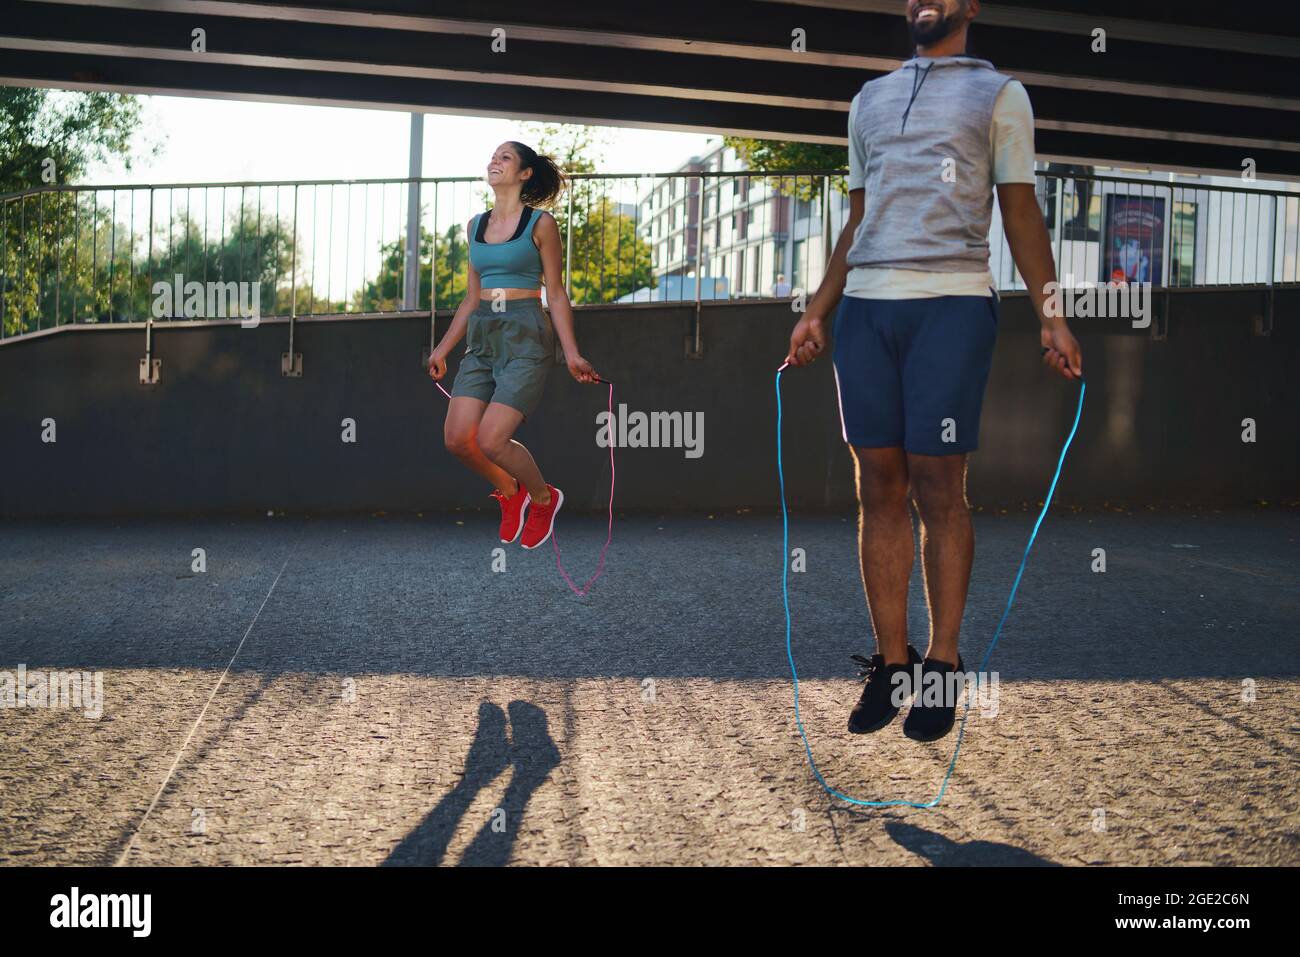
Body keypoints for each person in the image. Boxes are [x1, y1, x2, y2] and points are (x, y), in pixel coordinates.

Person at [785, 0, 1082, 741]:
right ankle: (895, 663)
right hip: (865, 309)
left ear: (970, 5)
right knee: (876, 481)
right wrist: (819, 309)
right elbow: (858, 217)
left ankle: (944, 665)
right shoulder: (869, 99)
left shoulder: (1000, 95)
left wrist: (1052, 312)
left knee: (937, 483)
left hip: (950, 303)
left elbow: (1020, 212)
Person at [429, 141, 601, 550]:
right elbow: (471, 298)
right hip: (483, 336)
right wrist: (442, 349)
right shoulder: (474, 226)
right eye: (493, 155)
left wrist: (571, 352)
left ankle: (543, 497)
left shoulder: (540, 224)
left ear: (524, 174)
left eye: (505, 157)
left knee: (491, 439)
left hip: (525, 335)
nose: (495, 161)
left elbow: (556, 293)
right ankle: (511, 492)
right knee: (457, 440)